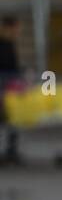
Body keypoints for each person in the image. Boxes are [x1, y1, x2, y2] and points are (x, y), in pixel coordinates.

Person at [0, 16, 23, 164]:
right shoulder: (4, 46)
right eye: (16, 28)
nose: (18, 31)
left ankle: (11, 150)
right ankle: (10, 151)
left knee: (12, 120)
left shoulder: (9, 44)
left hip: (8, 88)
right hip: (4, 88)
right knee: (9, 119)